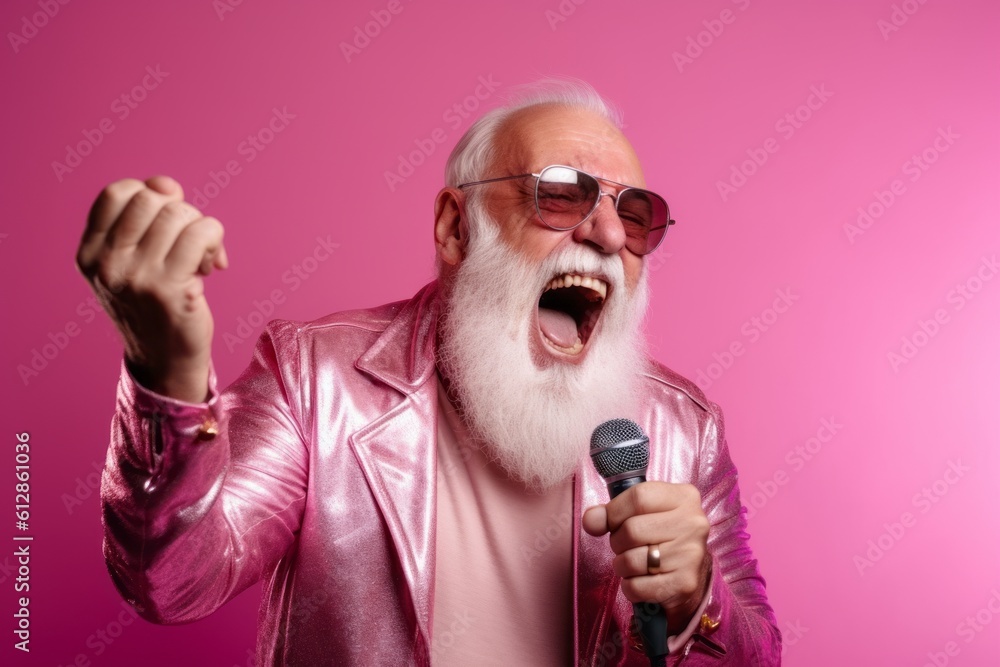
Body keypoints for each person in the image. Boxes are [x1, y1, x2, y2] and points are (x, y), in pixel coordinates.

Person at [77, 80, 781, 665]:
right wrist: (164, 372)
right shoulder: (314, 377)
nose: (605, 234)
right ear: (454, 226)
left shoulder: (684, 429)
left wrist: (699, 600)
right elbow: (171, 581)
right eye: (562, 194)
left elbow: (760, 651)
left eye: (635, 215)